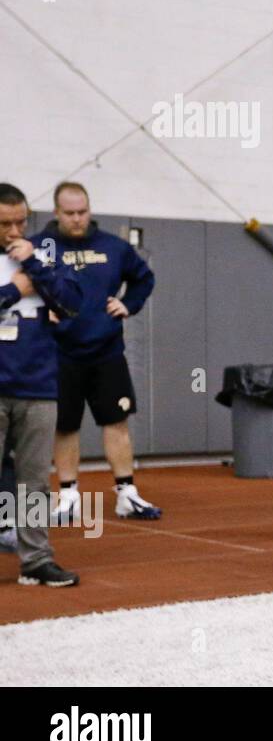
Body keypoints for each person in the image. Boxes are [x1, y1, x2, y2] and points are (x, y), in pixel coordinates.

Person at [42, 182, 160, 523]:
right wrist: (39, 310)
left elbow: (144, 279)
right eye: (70, 213)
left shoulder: (114, 247)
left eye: (83, 212)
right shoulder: (40, 247)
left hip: (106, 350)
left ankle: (126, 494)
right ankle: (67, 497)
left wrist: (128, 304)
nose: (77, 219)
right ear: (56, 213)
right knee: (65, 425)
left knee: (116, 421)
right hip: (59, 351)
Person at [0, 183, 82, 587]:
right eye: (4, 224)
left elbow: (70, 304)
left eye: (21, 222)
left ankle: (35, 560)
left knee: (33, 482)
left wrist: (35, 267)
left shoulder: (43, 255)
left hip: (37, 386)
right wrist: (13, 290)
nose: (14, 231)